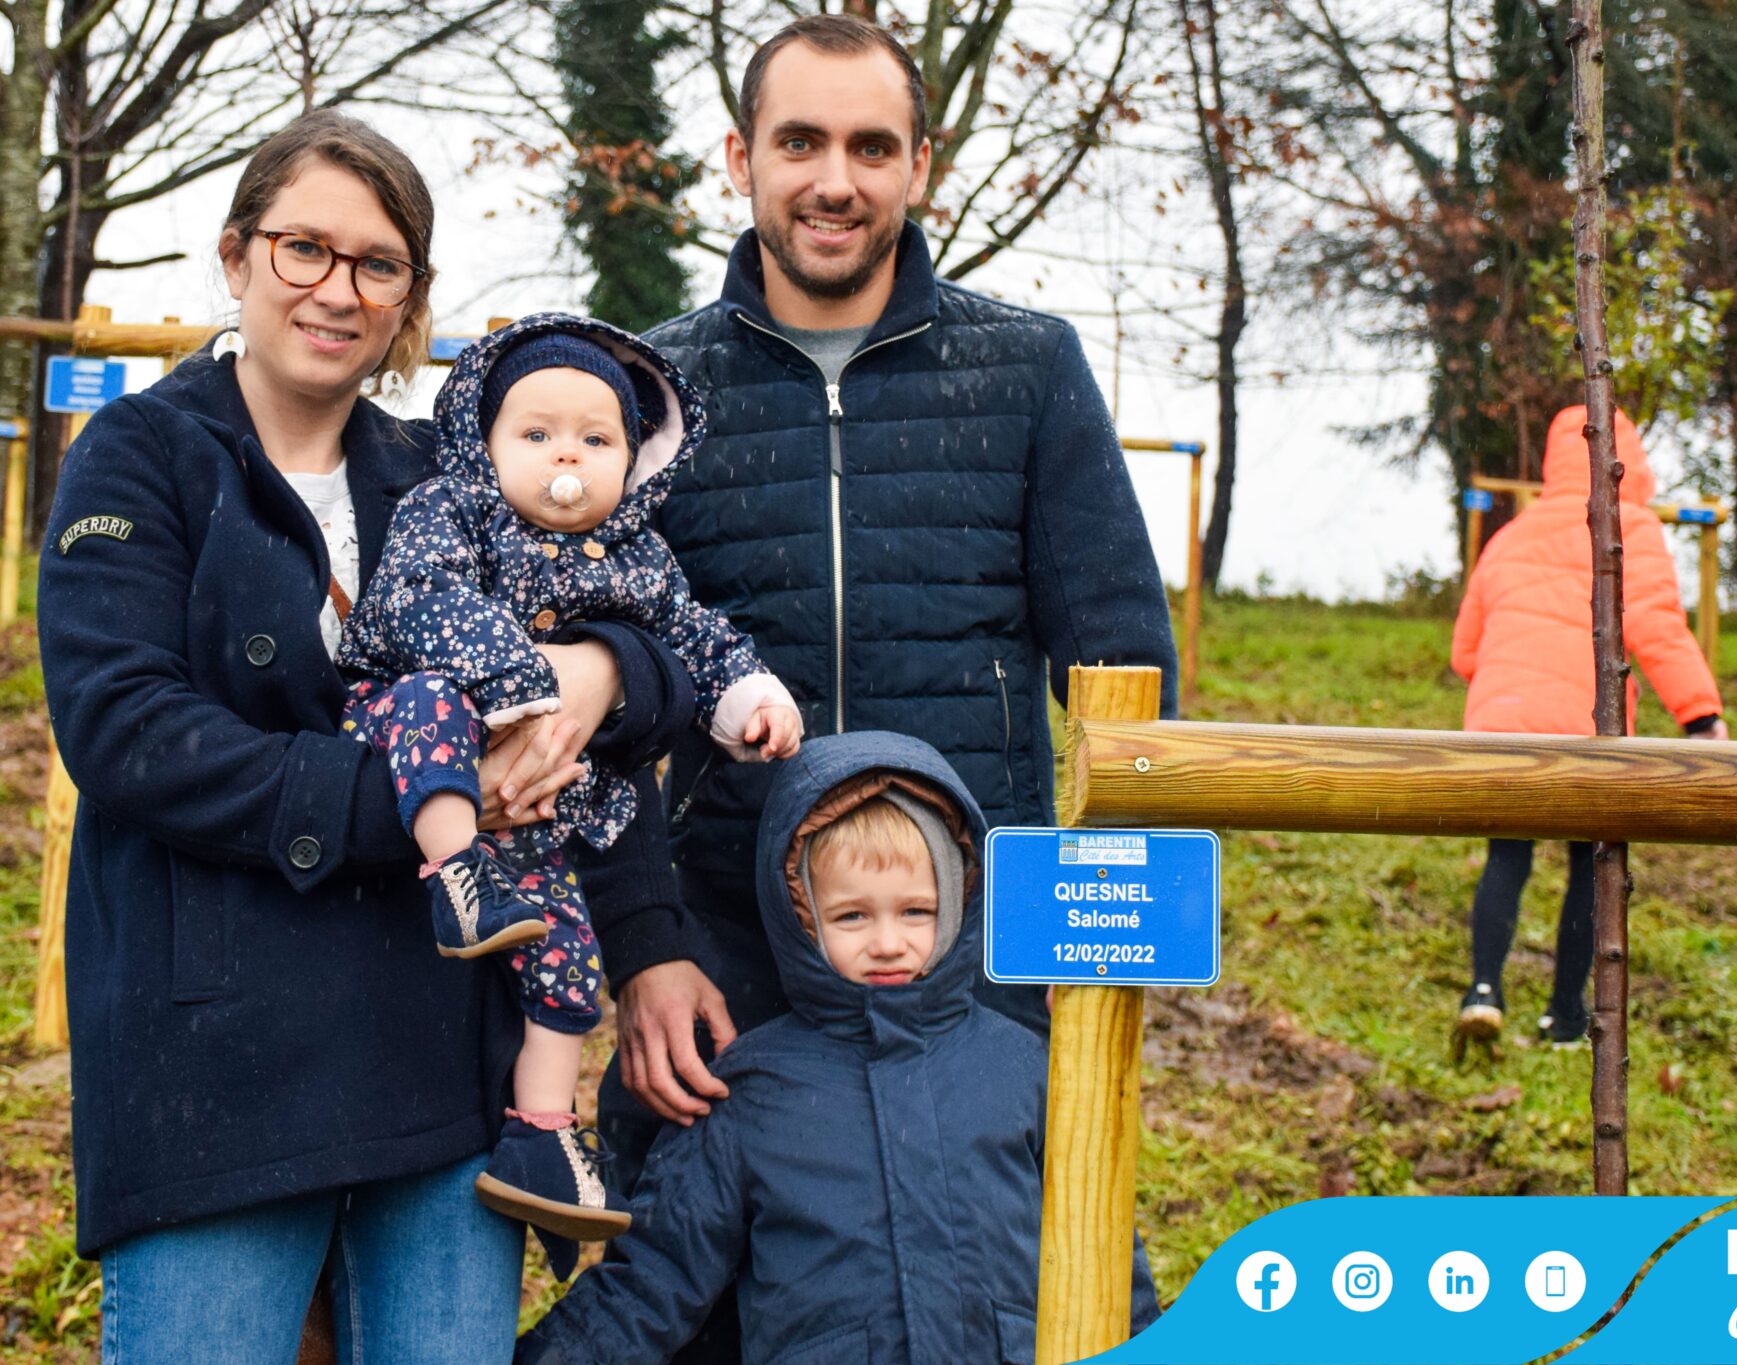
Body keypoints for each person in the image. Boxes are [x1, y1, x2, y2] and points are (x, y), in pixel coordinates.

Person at [37, 112, 698, 1360]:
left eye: (377, 264)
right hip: (213, 1064)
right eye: (305, 248)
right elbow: (125, 730)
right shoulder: (143, 455)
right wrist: (415, 799)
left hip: (436, 1051)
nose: (338, 291)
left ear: (410, 296)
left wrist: (602, 669)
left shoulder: (446, 477)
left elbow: (638, 621)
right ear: (237, 256)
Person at [598, 8, 1180, 1175]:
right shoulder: (647, 392)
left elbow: (1125, 680)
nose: (834, 181)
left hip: (975, 954)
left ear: (920, 165)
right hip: (730, 952)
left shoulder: (1027, 369)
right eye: (799, 142)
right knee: (707, 1270)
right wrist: (646, 949)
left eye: (870, 148)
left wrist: (1089, 944)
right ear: (740, 158)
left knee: (996, 1267)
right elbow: (606, 709)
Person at [334, 312, 803, 1274]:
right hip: (421, 742)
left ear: (635, 461)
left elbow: (694, 635)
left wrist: (750, 696)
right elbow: (418, 596)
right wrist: (521, 678)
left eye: (596, 440)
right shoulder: (448, 510)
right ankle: (454, 873)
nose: (566, 457)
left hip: (545, 815)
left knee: (569, 961)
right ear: (487, 443)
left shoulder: (639, 555)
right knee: (428, 703)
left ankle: (542, 1133)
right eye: (538, 433)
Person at [518, 732, 1156, 1365]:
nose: (888, 943)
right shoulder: (749, 1092)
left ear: (959, 901)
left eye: (916, 911)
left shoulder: (1022, 1067)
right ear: (800, 914)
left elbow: (1102, 1244)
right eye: (853, 916)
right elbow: (654, 1279)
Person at [1449, 405, 1729, 1047]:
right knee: (1589, 863)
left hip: (1502, 727)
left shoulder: (1513, 532)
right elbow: (1656, 627)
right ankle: (1565, 1015)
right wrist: (1700, 715)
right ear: (1628, 460)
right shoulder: (1628, 527)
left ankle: (1484, 990)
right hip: (1587, 728)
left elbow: (1465, 652)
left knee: (1506, 856)